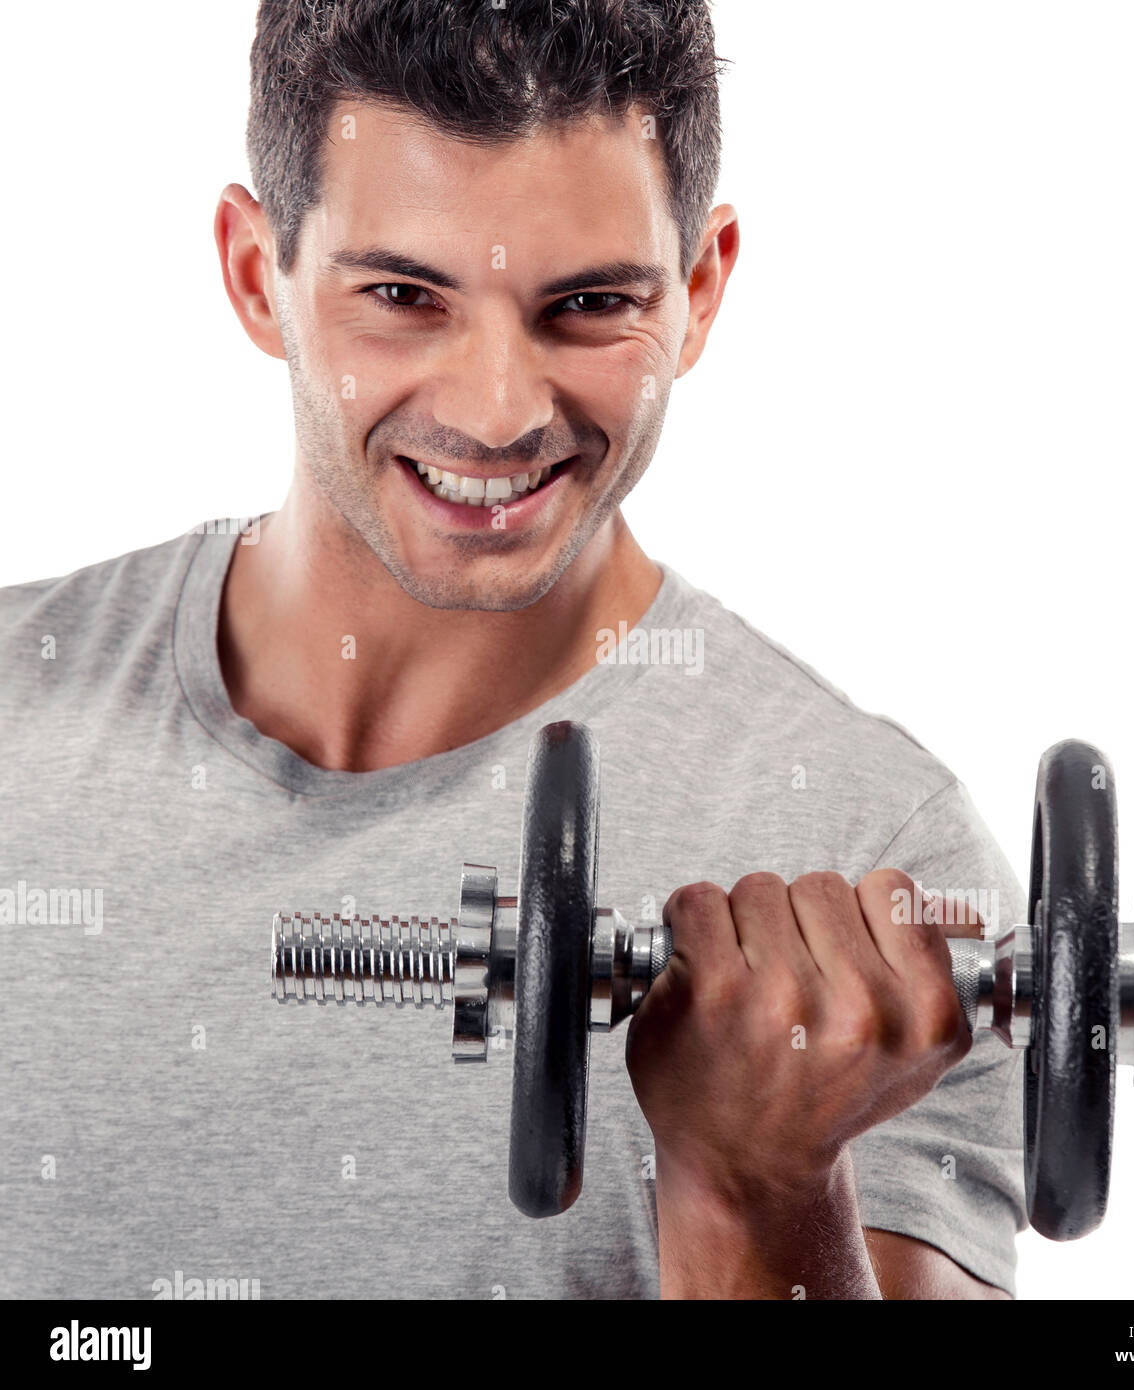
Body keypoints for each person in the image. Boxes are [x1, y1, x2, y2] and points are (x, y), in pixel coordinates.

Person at [0, 0, 1025, 1299]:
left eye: (588, 304)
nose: (497, 411)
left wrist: (753, 1190)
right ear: (259, 274)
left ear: (699, 291)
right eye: (403, 296)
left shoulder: (888, 882)